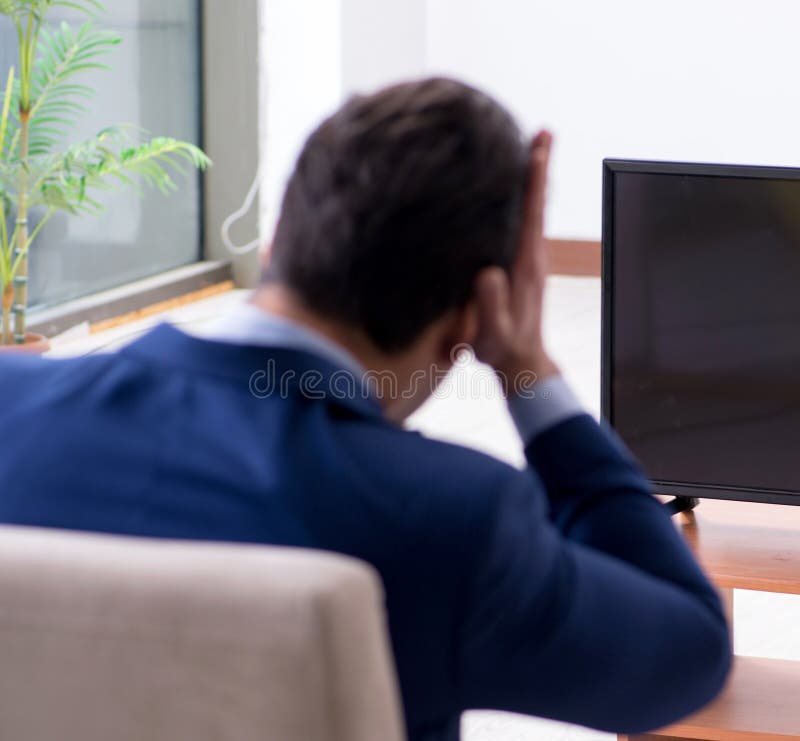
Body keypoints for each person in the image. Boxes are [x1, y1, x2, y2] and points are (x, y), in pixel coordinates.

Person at [0, 78, 730, 741]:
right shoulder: (449, 518)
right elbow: (689, 648)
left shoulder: (12, 400)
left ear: (277, 237)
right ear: (475, 317)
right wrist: (528, 370)